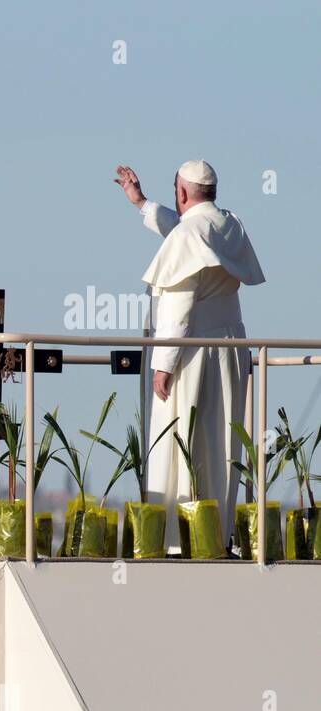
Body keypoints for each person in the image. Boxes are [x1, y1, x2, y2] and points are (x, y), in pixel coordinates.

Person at [115, 161, 265, 552]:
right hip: (231, 351)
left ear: (182, 193)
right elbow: (187, 234)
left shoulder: (191, 234)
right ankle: (216, 535)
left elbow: (178, 309)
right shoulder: (229, 224)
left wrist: (162, 366)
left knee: (182, 441)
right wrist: (142, 203)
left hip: (191, 356)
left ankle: (179, 541)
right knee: (221, 443)